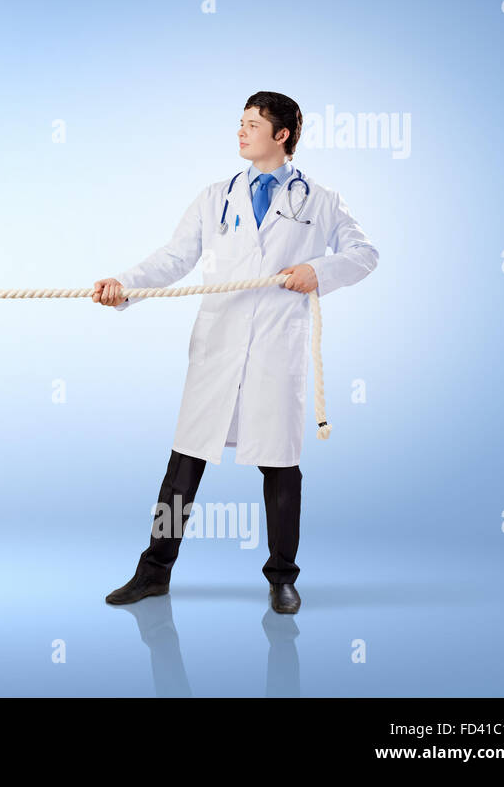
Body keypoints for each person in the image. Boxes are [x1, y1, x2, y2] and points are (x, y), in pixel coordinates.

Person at [92, 92, 378, 614]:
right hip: (219, 346)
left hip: (276, 347)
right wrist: (125, 286)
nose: (241, 132)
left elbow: (364, 253)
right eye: (240, 123)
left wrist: (321, 272)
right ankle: (153, 570)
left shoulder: (321, 199)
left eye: (252, 124)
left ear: (283, 134)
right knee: (184, 465)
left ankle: (282, 578)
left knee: (280, 466)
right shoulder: (214, 196)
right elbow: (175, 257)